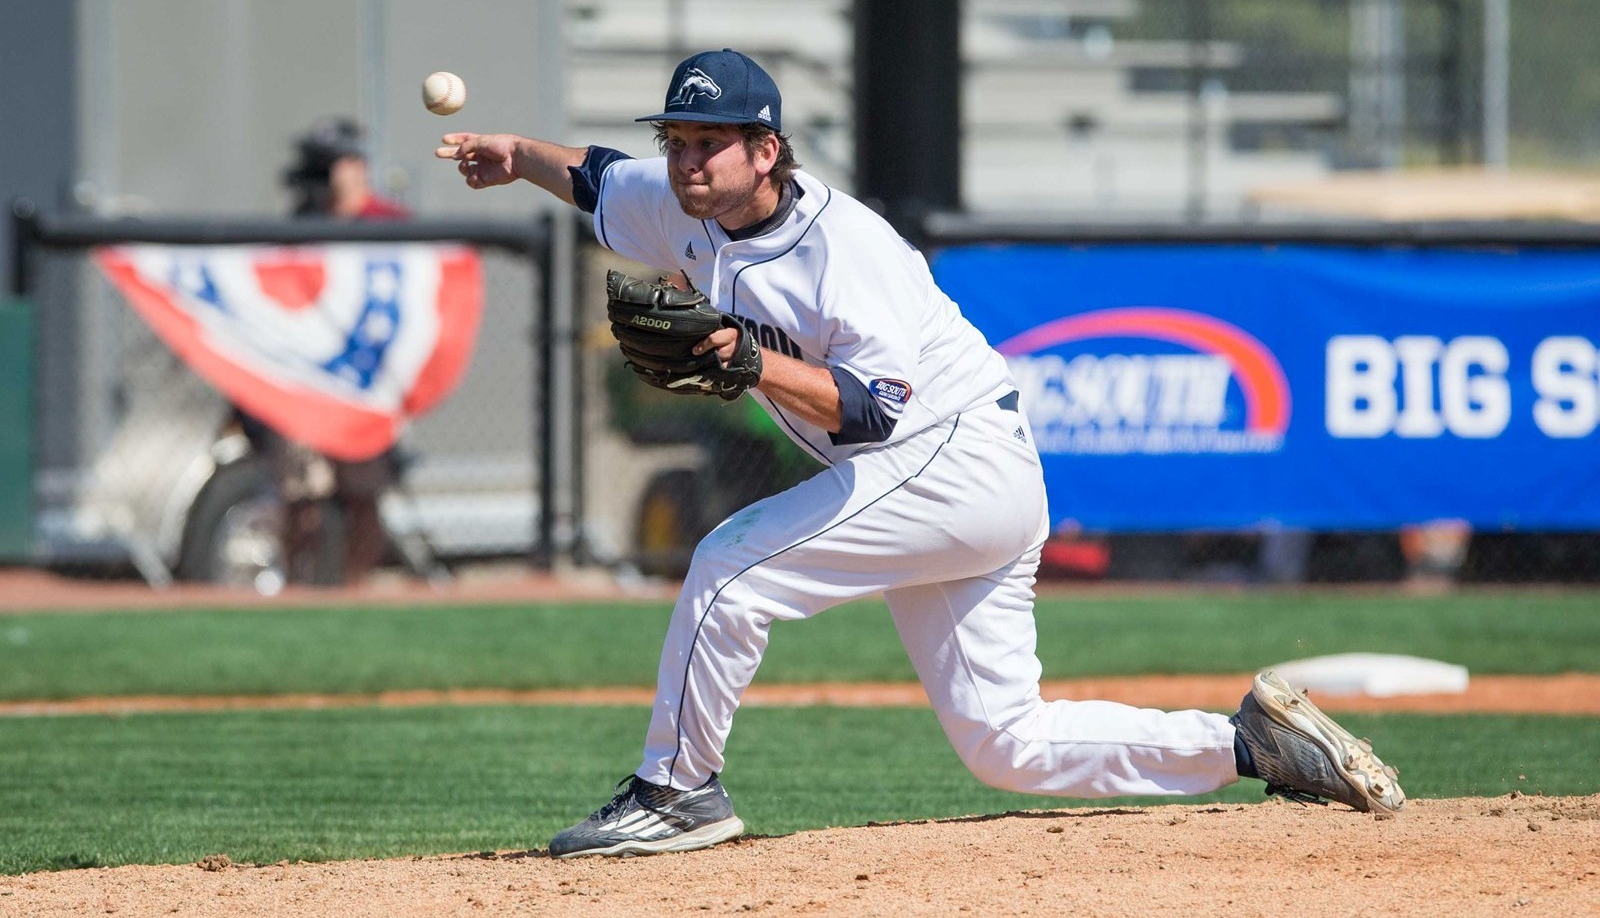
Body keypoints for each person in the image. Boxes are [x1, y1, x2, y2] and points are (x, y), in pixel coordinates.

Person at [435, 49, 1406, 858]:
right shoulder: (685, 200)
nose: (686, 159)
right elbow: (598, 178)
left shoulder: (844, 247)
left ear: (765, 148)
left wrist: (746, 359)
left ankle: (678, 788)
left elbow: (868, 413)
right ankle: (1253, 744)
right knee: (1004, 742)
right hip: (953, 477)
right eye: (678, 141)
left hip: (949, 458)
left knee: (728, 569)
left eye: (710, 141)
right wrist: (513, 153)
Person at [239, 117, 409, 587]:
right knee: (301, 500)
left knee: (363, 500)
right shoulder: (302, 225)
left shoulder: (388, 223)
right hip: (306, 385)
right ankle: (298, 592)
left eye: (340, 163)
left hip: (365, 388)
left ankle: (352, 593)